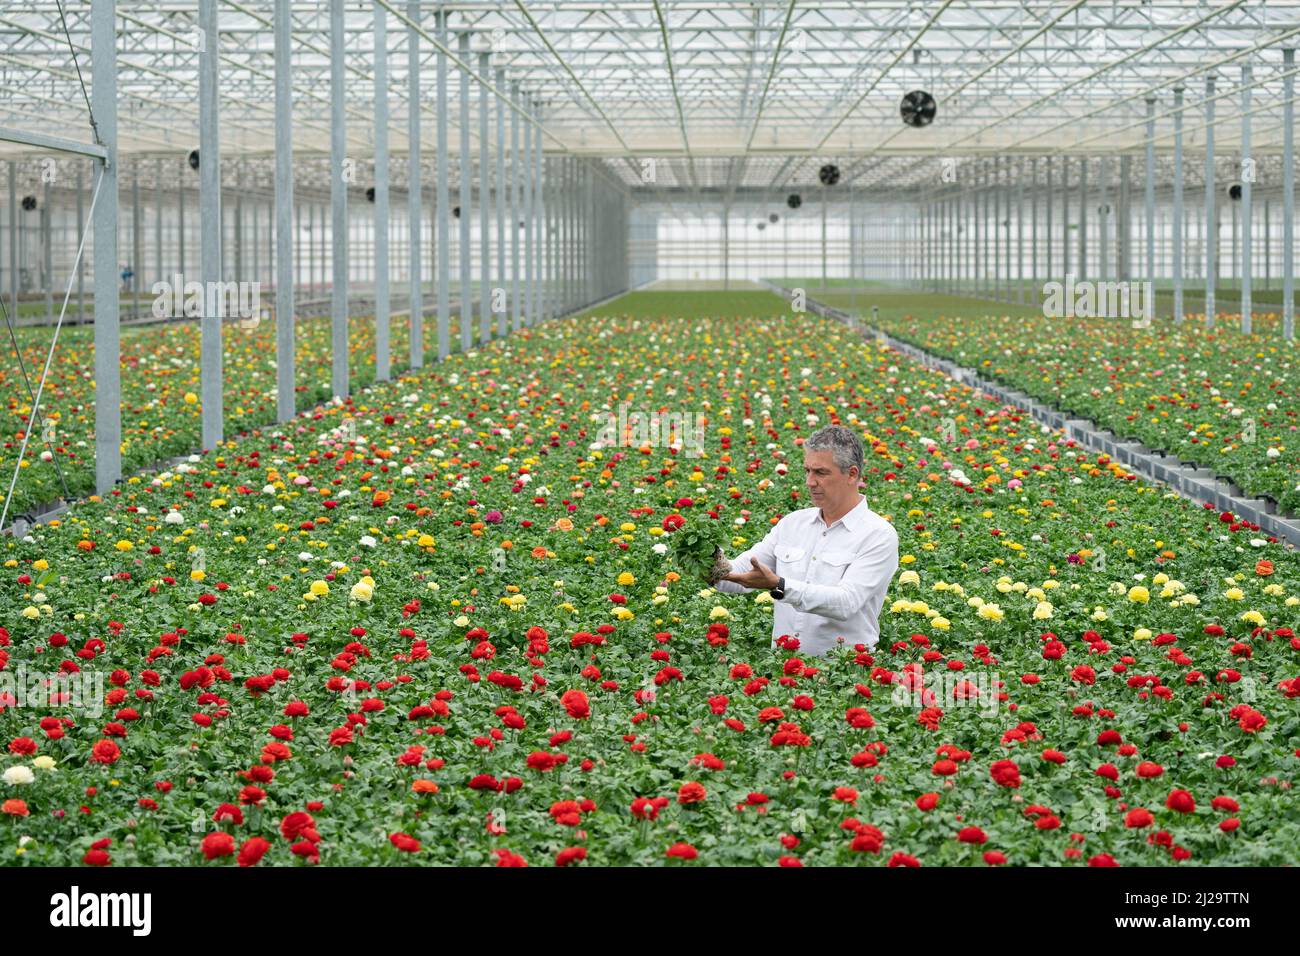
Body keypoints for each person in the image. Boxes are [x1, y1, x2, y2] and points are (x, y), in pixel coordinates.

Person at [713, 424, 899, 657]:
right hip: (783, 671)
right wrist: (705, 557)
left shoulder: (878, 535)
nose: (810, 482)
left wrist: (780, 586)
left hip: (842, 674)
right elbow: (739, 572)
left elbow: (846, 602)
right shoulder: (792, 524)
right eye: (807, 471)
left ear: (852, 474)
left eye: (821, 472)